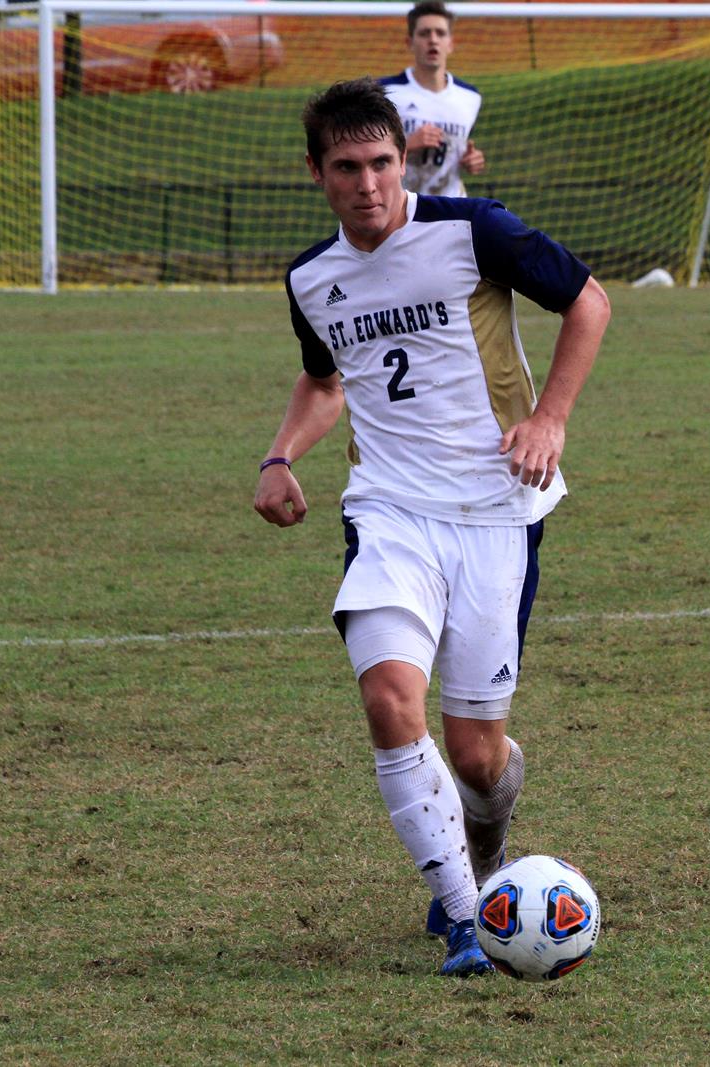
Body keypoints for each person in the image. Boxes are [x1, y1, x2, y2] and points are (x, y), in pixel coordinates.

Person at [254, 78, 611, 977]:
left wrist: (551, 419)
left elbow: (588, 301)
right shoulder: (310, 279)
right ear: (316, 173)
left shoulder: (471, 229)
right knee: (386, 698)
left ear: (403, 159)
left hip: (496, 510)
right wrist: (279, 456)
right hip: (389, 512)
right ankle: (464, 919)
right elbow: (326, 382)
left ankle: (486, 849)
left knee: (477, 756)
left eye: (382, 163)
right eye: (347, 167)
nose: (369, 183)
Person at [379, 0, 485, 197]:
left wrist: (471, 159)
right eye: (424, 33)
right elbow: (368, 151)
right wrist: (407, 144)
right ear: (409, 42)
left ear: (451, 43)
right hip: (399, 208)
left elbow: (460, 149)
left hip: (451, 209)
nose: (433, 40)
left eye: (440, 33)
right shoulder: (386, 91)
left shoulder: (470, 97)